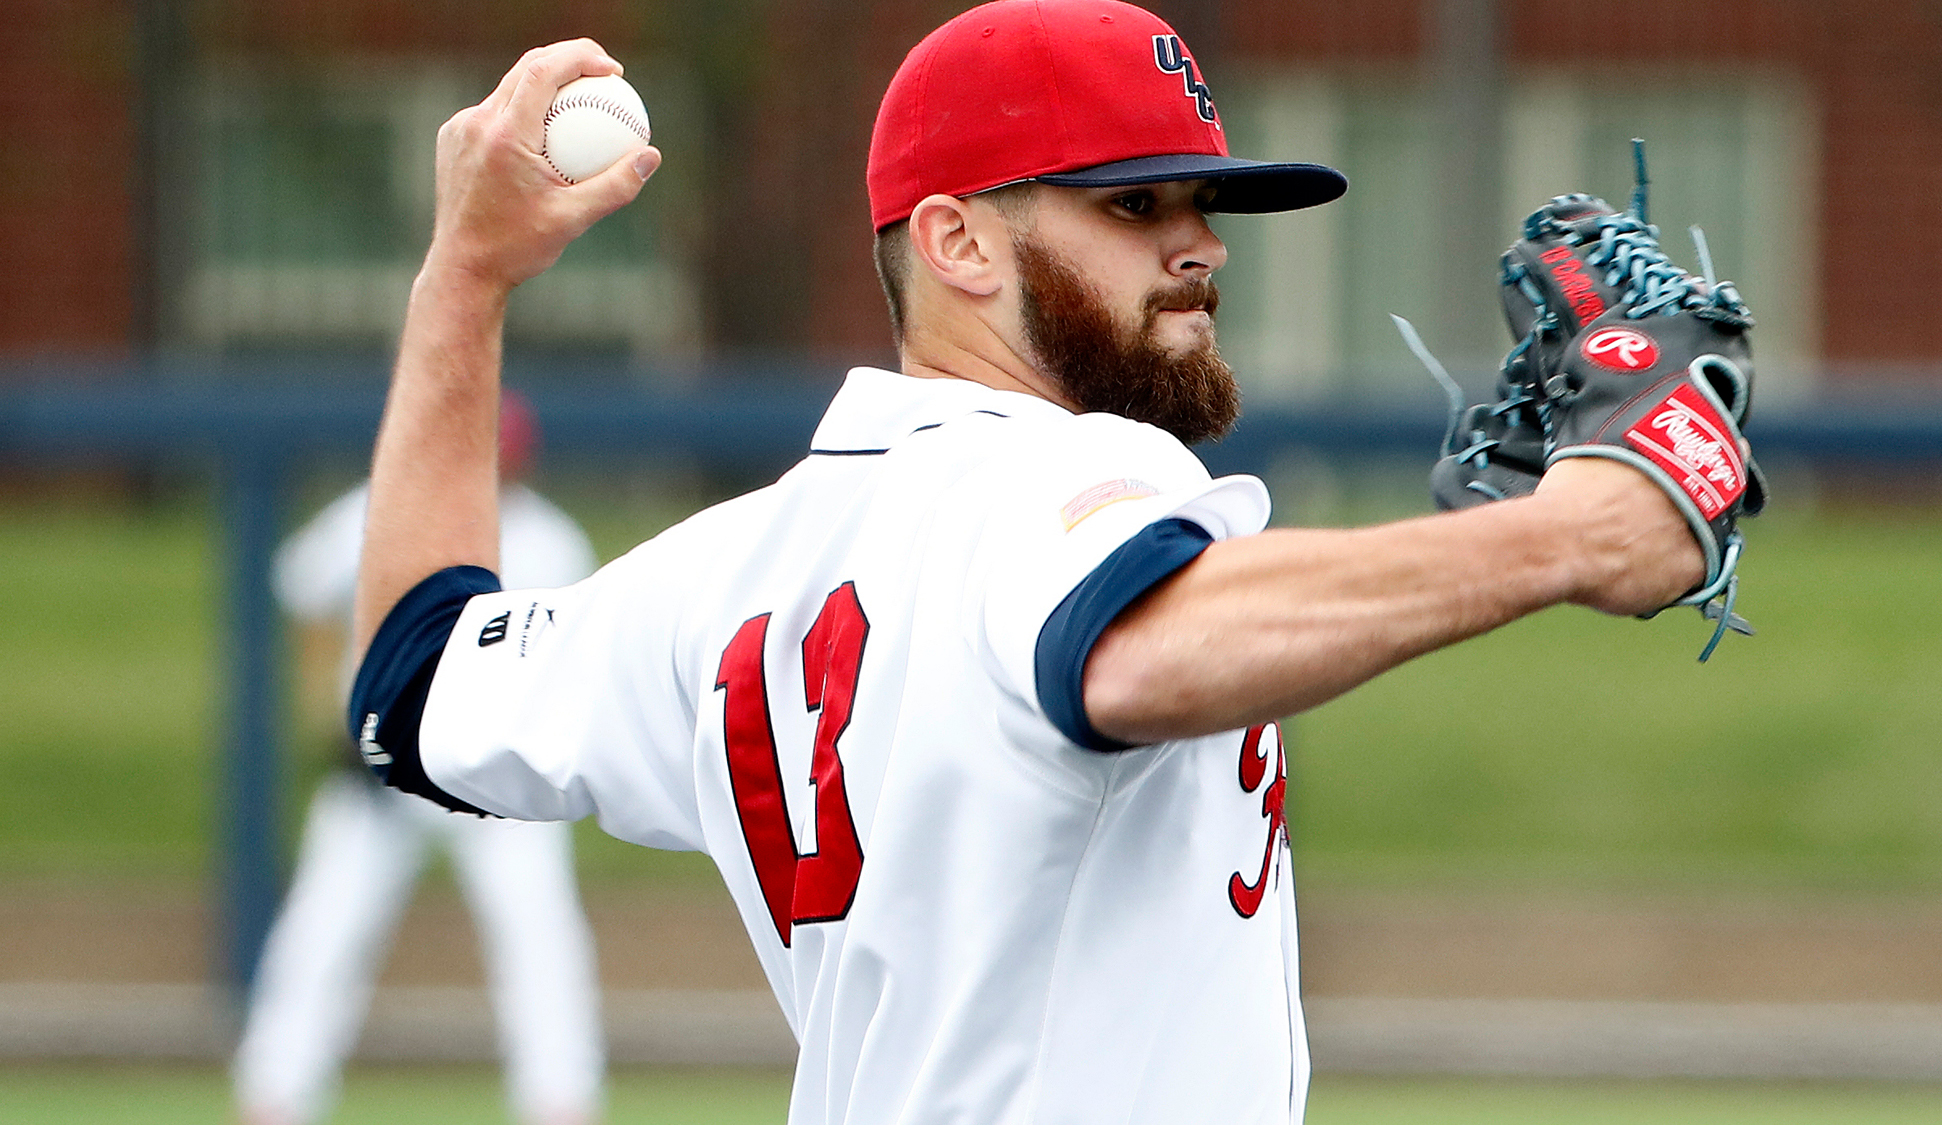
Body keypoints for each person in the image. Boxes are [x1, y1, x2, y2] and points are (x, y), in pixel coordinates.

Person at [345, 3, 1705, 1122]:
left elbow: (407, 681)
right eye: (1132, 205)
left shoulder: (734, 567)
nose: (1200, 247)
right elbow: (1130, 649)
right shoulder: (1068, 479)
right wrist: (1580, 531)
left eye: (1205, 205)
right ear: (956, 241)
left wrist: (462, 281)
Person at [233, 391, 605, 1125]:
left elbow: (576, 668)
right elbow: (305, 593)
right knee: (323, 928)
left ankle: (561, 1102)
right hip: (383, 765)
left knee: (539, 935)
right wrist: (325, 714)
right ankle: (275, 1095)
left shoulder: (548, 540)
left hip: (501, 779)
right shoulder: (384, 506)